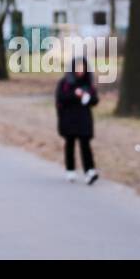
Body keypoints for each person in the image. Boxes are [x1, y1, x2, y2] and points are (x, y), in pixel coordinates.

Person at [56, 56, 99, 184]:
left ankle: (90, 171)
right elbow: (61, 98)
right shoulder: (64, 83)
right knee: (70, 144)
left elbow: (95, 100)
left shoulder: (88, 83)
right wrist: (75, 95)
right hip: (69, 118)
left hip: (84, 118)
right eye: (78, 67)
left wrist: (88, 98)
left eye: (83, 67)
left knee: (85, 144)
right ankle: (70, 170)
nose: (80, 70)